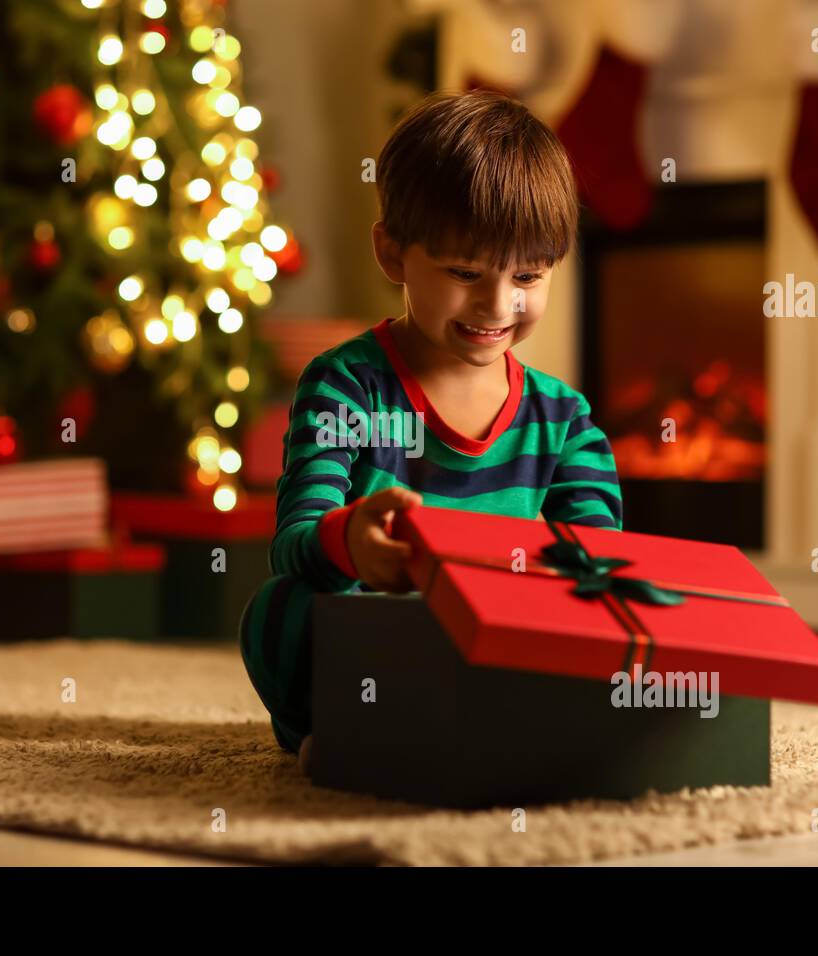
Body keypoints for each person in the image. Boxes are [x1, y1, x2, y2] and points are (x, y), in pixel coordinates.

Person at [239, 90, 624, 776]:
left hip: (498, 647)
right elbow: (294, 544)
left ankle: (466, 734)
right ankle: (353, 734)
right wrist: (352, 539)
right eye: (465, 272)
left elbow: (594, 571)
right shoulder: (344, 385)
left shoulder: (567, 422)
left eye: (529, 275)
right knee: (278, 610)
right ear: (392, 253)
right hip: (376, 644)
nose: (498, 304)